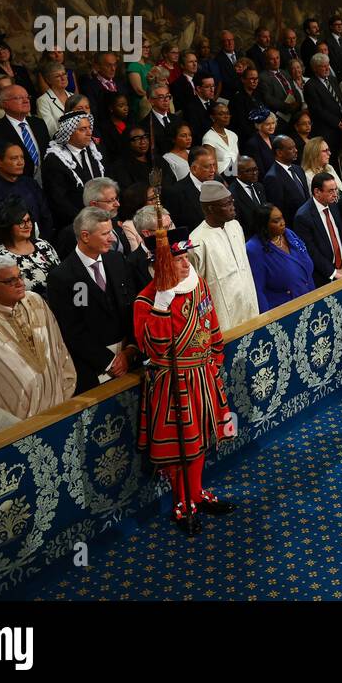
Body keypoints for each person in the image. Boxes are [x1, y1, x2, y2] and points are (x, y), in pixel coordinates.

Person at [134, 227, 237, 536]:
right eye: (177, 259)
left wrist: (216, 359)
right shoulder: (146, 301)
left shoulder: (199, 285)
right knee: (180, 448)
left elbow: (210, 321)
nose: (185, 263)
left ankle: (196, 492)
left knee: (201, 439)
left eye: (185, 257)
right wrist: (162, 307)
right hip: (172, 382)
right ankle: (182, 503)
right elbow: (153, 347)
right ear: (162, 263)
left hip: (202, 374)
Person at [0, 255, 76, 436]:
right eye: (11, 281)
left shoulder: (36, 301)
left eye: (20, 276)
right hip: (13, 429)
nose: (20, 283)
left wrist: (65, 396)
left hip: (57, 412)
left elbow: (59, 348)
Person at [46, 207, 137, 394]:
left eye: (111, 231)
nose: (112, 238)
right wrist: (110, 361)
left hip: (130, 359)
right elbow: (72, 329)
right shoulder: (62, 277)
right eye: (105, 234)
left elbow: (132, 306)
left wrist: (130, 350)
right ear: (85, 236)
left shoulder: (117, 260)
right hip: (92, 369)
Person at [189, 180, 259, 331]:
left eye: (232, 202)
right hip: (223, 317)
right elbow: (197, 288)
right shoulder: (196, 240)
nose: (233, 207)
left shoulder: (235, 226)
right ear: (211, 209)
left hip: (249, 306)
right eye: (226, 204)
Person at [42, 111, 106, 236]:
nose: (89, 133)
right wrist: (87, 220)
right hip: (75, 224)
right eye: (82, 129)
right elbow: (59, 201)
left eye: (89, 128)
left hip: (102, 217)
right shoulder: (54, 159)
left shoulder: (94, 150)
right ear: (69, 132)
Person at [244, 202, 315, 313]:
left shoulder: (289, 234)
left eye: (282, 218)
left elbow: (305, 267)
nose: (282, 223)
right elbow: (258, 290)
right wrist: (267, 321)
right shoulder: (254, 249)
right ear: (263, 224)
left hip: (309, 298)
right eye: (276, 221)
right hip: (284, 310)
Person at [0, 199, 60, 295]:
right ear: (7, 226)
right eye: (21, 222)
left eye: (29, 220)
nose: (27, 226)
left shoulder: (43, 244)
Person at [294, 172, 342, 286]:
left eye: (335, 190)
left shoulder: (334, 205)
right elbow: (311, 251)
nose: (335, 194)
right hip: (323, 277)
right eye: (330, 191)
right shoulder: (303, 217)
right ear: (317, 192)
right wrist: (333, 272)